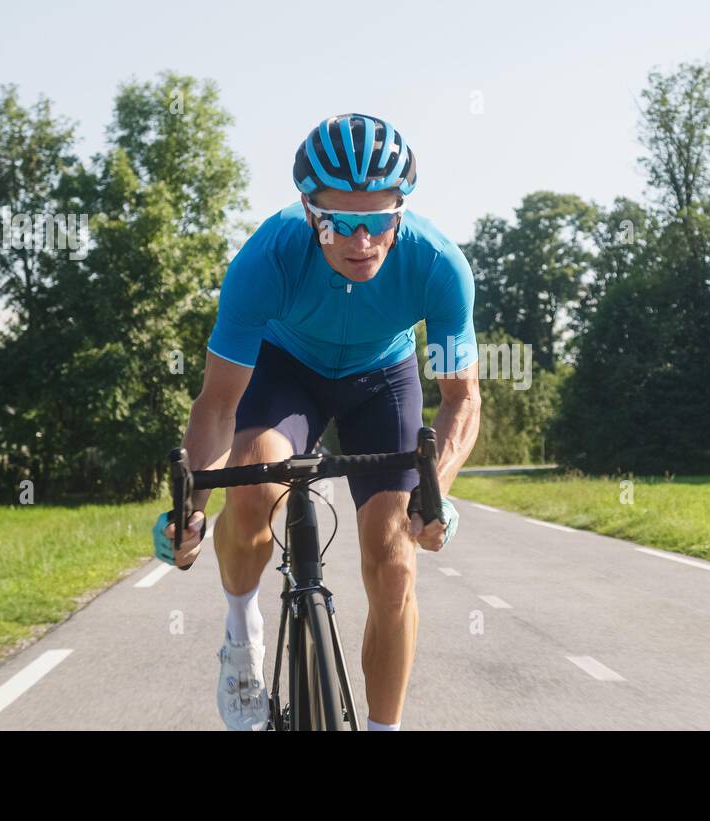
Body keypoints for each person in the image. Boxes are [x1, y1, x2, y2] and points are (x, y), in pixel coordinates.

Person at [153, 113, 481, 731]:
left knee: (395, 561)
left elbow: (461, 399)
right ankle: (241, 633)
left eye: (377, 221)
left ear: (400, 213)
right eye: (338, 222)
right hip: (286, 370)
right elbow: (217, 406)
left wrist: (437, 491)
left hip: (382, 379)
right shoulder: (266, 259)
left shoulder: (439, 265)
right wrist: (189, 508)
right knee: (252, 487)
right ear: (308, 210)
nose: (361, 242)